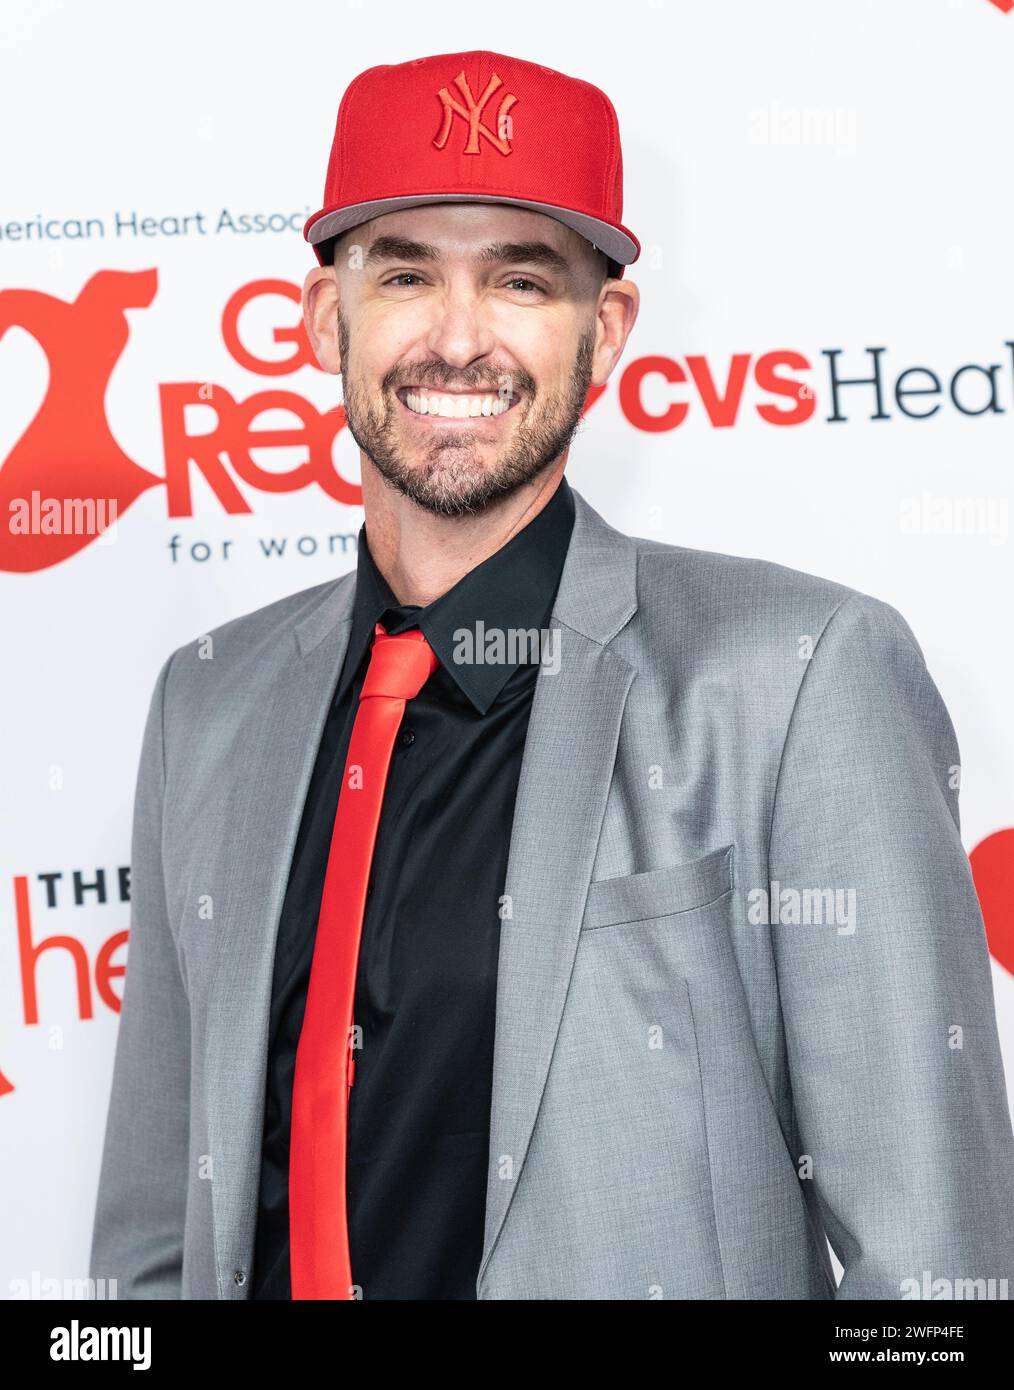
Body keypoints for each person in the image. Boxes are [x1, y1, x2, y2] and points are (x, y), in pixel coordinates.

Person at [90, 49, 1014, 1301]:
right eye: (404, 273)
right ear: (322, 318)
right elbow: (154, 1238)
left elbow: (938, 1271)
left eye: (521, 280)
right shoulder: (206, 700)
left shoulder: (798, 676)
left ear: (607, 331)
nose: (457, 338)